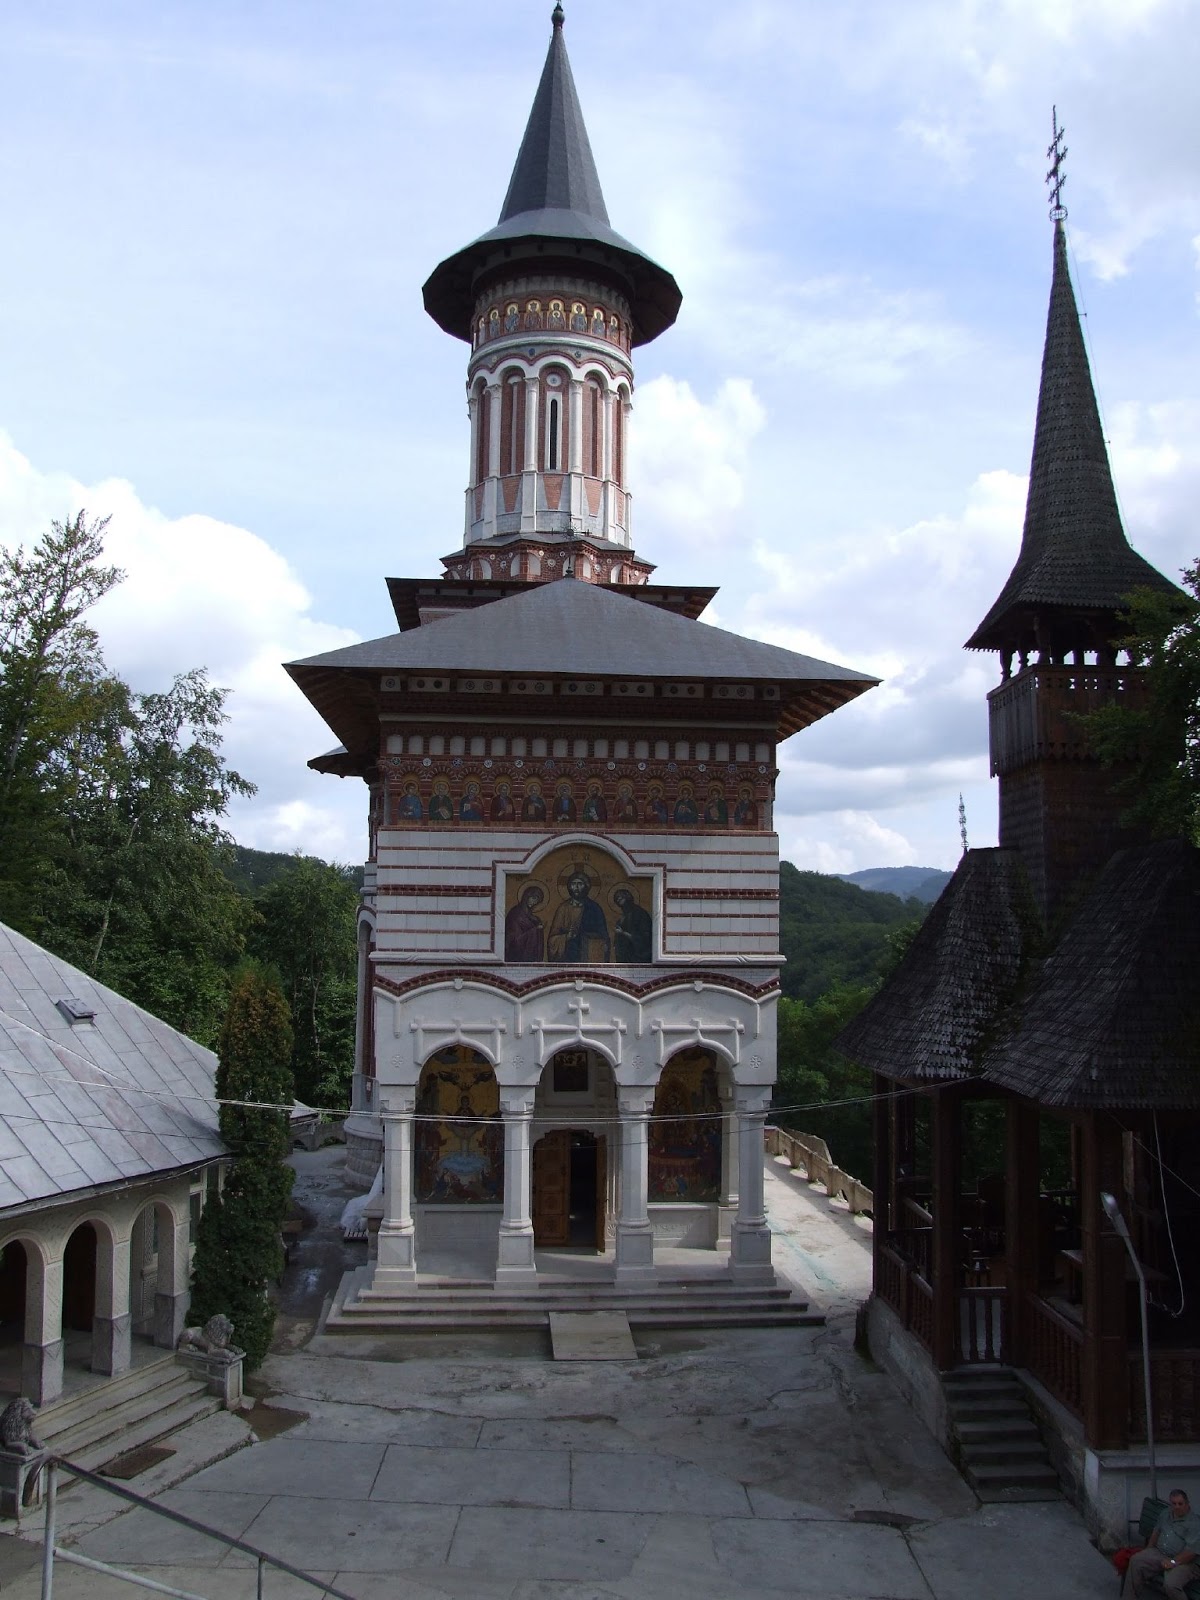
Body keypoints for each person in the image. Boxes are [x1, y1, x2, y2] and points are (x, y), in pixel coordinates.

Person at [1123, 1490, 1200, 1598]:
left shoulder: (1194, 1523)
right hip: (1160, 1553)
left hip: (1184, 1562)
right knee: (1136, 1560)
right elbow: (1156, 1531)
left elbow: (1191, 1553)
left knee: (1171, 1584)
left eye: (1180, 1503)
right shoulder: (1166, 1513)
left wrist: (1173, 1562)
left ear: (1187, 1504)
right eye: (1174, 1503)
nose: (1177, 1506)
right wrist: (1148, 1549)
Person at [548, 871, 609, 962]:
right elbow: (552, 938)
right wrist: (567, 937)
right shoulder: (563, 908)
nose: (576, 887)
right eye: (573, 884)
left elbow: (603, 935)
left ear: (586, 886)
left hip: (589, 952)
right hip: (568, 954)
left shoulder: (594, 908)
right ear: (569, 887)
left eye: (580, 884)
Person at [505, 884, 546, 962]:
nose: (534, 902)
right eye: (533, 898)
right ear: (526, 896)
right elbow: (514, 940)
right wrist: (535, 930)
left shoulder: (532, 917)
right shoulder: (516, 913)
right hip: (516, 956)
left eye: (537, 900)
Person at [612, 887, 652, 963]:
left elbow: (645, 937)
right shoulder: (621, 919)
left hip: (638, 955)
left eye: (621, 898)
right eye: (617, 899)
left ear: (627, 897)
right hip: (624, 955)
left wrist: (623, 933)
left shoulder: (639, 913)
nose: (618, 900)